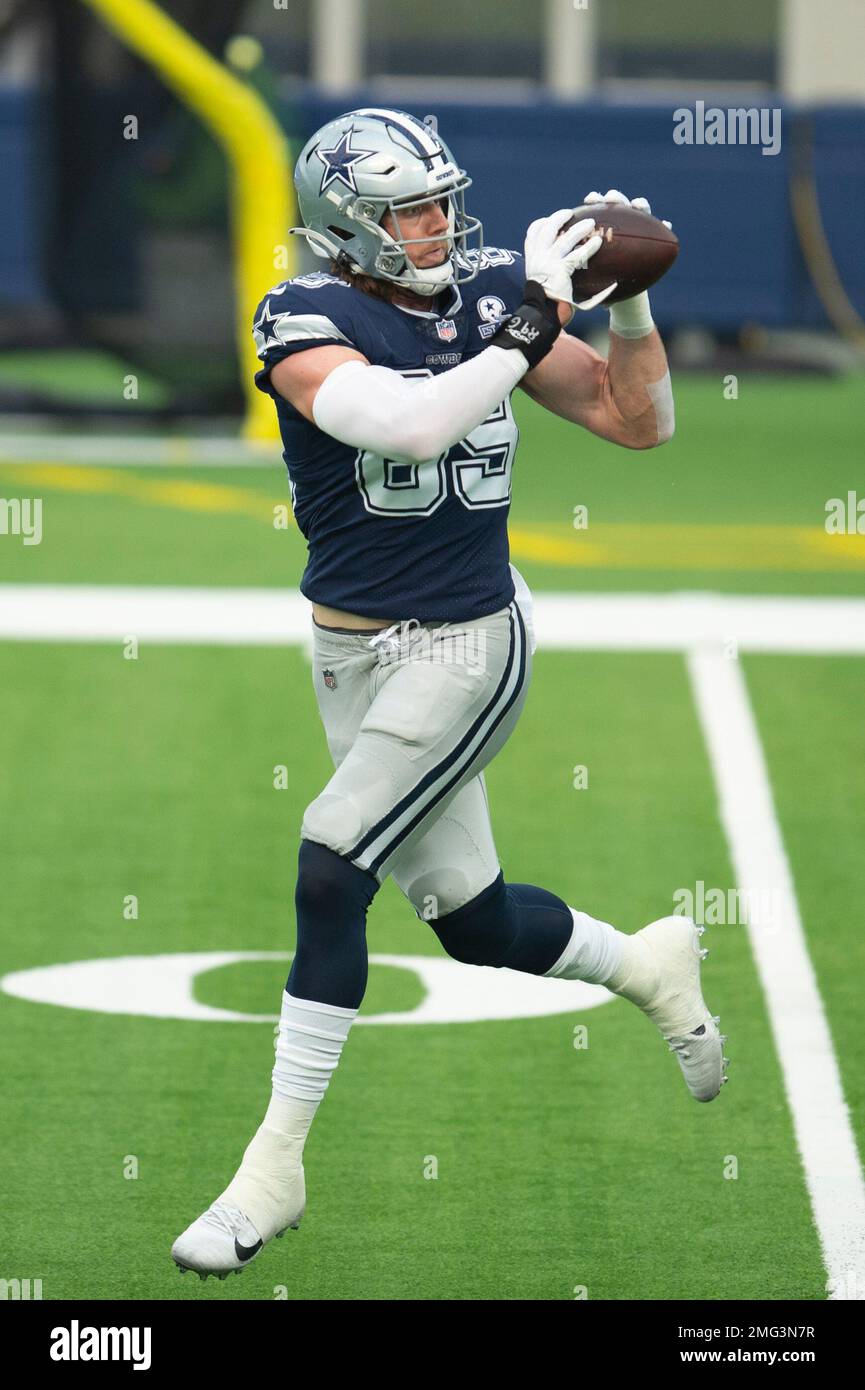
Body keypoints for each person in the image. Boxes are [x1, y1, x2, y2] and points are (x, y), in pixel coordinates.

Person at [171, 107, 727, 1280]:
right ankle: (646, 964)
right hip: (348, 652)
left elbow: (641, 423)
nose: (437, 226)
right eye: (409, 210)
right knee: (470, 921)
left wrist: (624, 300)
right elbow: (408, 426)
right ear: (349, 225)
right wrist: (526, 323)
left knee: (331, 866)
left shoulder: (485, 293)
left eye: (440, 201)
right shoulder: (304, 313)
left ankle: (270, 1171)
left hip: (468, 641)